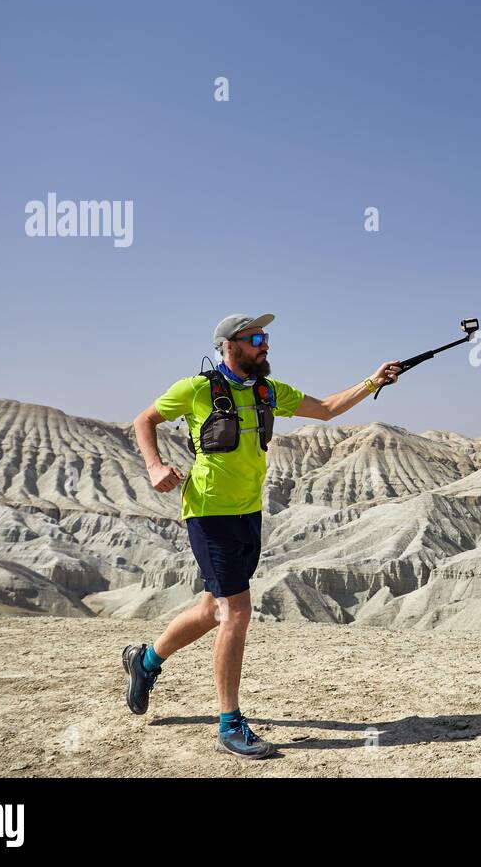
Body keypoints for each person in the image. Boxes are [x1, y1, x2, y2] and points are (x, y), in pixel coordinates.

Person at [125, 312, 401, 759]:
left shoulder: (267, 391)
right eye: (256, 338)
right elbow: (144, 420)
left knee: (211, 609)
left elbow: (327, 409)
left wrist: (373, 381)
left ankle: (145, 661)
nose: (265, 345)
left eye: (266, 337)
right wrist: (155, 467)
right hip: (208, 513)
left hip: (249, 514)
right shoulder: (196, 389)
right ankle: (230, 724)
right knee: (236, 612)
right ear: (230, 345)